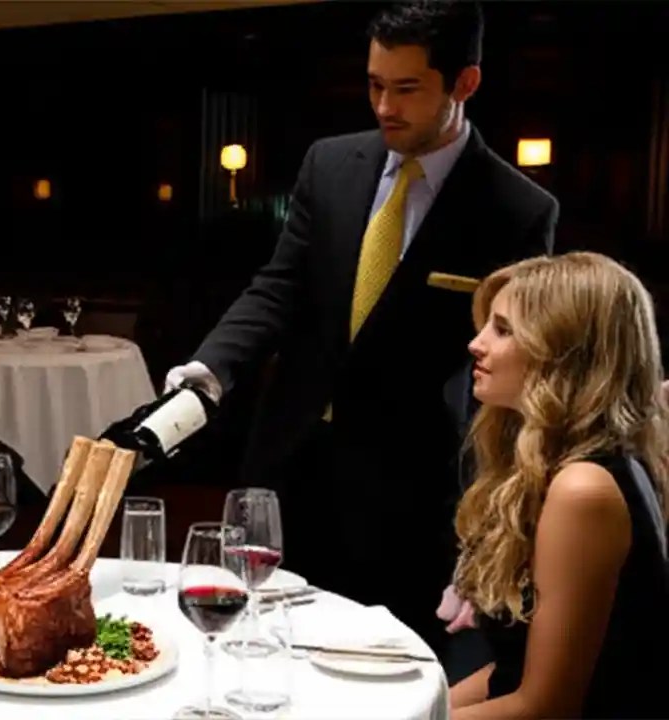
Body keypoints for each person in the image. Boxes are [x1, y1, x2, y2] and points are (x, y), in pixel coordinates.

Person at [165, 0, 558, 652]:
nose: (384, 106)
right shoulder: (329, 163)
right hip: (285, 469)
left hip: (408, 492)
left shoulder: (516, 210)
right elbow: (279, 287)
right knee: (255, 651)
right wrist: (210, 370)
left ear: (465, 83)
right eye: (375, 85)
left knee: (377, 674)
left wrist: (493, 522)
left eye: (407, 89)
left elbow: (516, 374)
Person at [449, 252, 669, 718]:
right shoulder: (555, 466)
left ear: (564, 353)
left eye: (503, 330)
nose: (476, 343)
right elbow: (510, 672)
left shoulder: (583, 489)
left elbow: (547, 707)